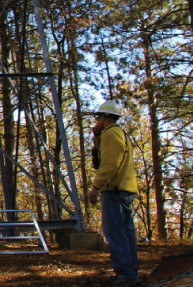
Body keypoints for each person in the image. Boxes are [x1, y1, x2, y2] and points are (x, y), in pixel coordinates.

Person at [88, 100, 139, 285]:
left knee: (115, 232)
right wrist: (96, 139)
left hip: (114, 190)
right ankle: (130, 271)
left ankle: (125, 273)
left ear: (103, 117)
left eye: (98, 118)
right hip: (124, 189)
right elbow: (99, 161)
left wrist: (96, 187)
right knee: (126, 232)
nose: (97, 122)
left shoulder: (111, 134)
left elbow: (109, 165)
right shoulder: (118, 134)